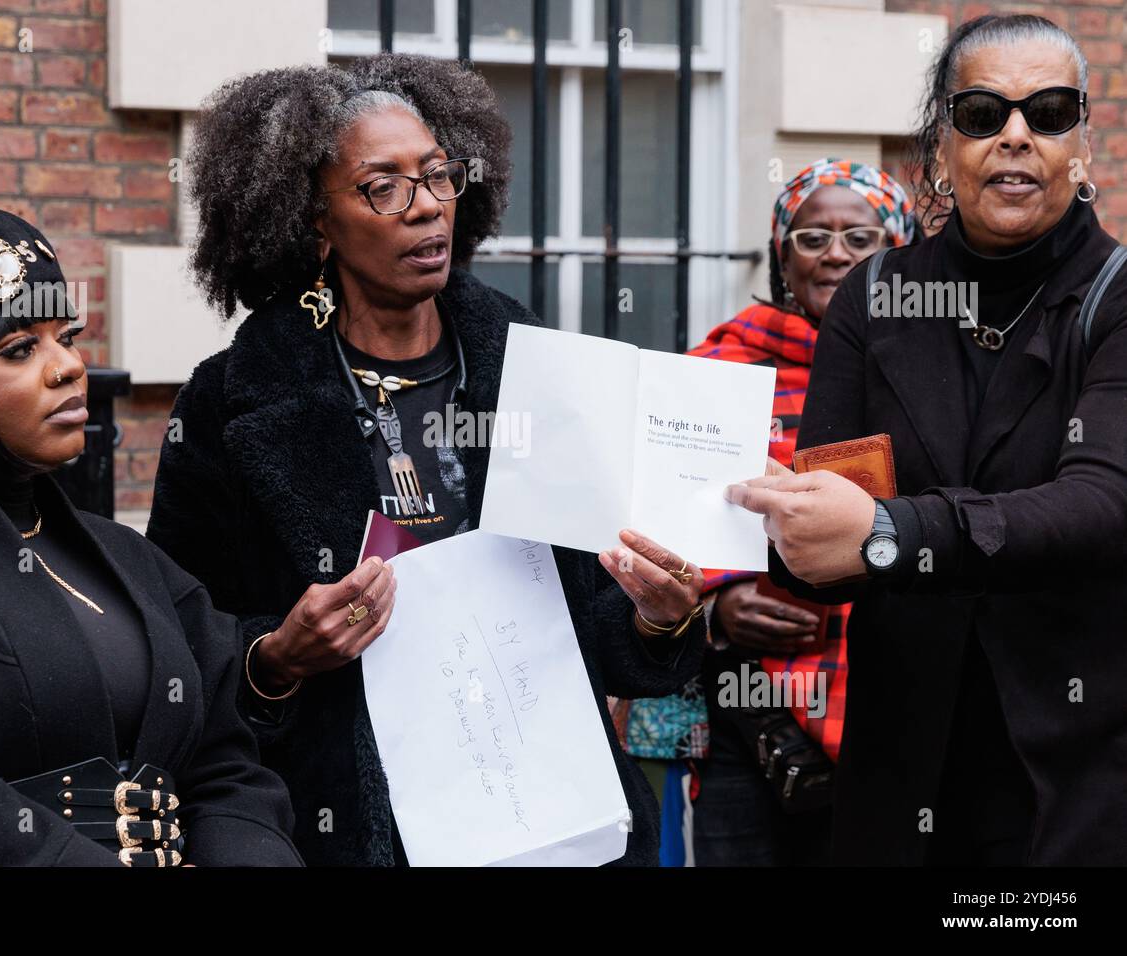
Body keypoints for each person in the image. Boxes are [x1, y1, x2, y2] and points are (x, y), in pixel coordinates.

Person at [147, 53, 706, 866]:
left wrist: (662, 616)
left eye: (439, 177)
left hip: (552, 818)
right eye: (383, 187)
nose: (426, 210)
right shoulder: (230, 402)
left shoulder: (532, 371)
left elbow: (603, 638)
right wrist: (275, 657)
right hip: (345, 826)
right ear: (313, 219)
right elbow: (180, 645)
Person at [726, 15, 1127, 865]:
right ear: (942, 146)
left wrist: (886, 533)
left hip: (1075, 774)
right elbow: (814, 557)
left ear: (1080, 144)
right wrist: (775, 525)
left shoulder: (1115, 299)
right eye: (982, 114)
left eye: (1048, 112)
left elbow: (1101, 505)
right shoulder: (876, 298)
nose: (1016, 135)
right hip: (901, 773)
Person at [0, 203, 302, 867]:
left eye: (67, 337)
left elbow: (228, 766)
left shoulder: (129, 560)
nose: (69, 367)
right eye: (20, 349)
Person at [617, 159, 916, 866]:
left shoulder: (927, 373)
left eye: (861, 237)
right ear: (783, 256)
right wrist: (716, 610)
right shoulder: (721, 373)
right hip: (744, 716)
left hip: (891, 696)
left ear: (899, 253)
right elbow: (661, 524)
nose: (836, 252)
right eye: (812, 236)